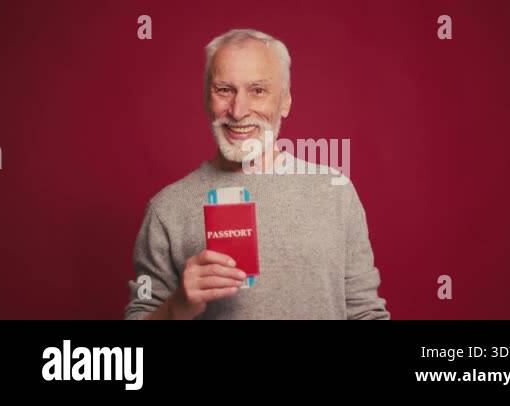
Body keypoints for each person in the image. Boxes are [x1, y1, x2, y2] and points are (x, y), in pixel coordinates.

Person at [124, 29, 389, 320]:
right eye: (224, 90)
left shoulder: (335, 192)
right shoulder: (167, 209)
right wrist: (177, 306)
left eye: (258, 91)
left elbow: (366, 313)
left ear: (285, 101)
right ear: (205, 99)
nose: (238, 111)